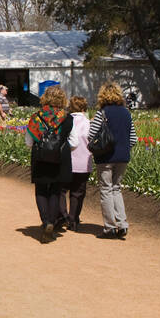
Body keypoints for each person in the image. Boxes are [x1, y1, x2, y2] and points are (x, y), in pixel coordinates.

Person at [86, 82, 138, 239]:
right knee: (117, 188)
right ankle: (122, 223)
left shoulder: (102, 113)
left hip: (105, 157)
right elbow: (133, 138)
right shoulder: (126, 113)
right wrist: (123, 147)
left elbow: (91, 135)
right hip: (123, 157)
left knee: (106, 190)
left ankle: (109, 227)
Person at [26, 87, 72, 241]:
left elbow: (28, 142)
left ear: (45, 97)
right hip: (59, 159)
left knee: (41, 190)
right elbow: (75, 142)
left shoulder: (37, 117)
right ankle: (52, 222)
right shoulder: (67, 118)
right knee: (55, 191)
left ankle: (45, 221)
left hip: (40, 158)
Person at [63, 96, 92, 231]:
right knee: (78, 192)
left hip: (67, 161)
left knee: (62, 190)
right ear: (83, 108)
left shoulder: (66, 121)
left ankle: (63, 216)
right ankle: (73, 218)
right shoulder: (88, 123)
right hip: (83, 162)